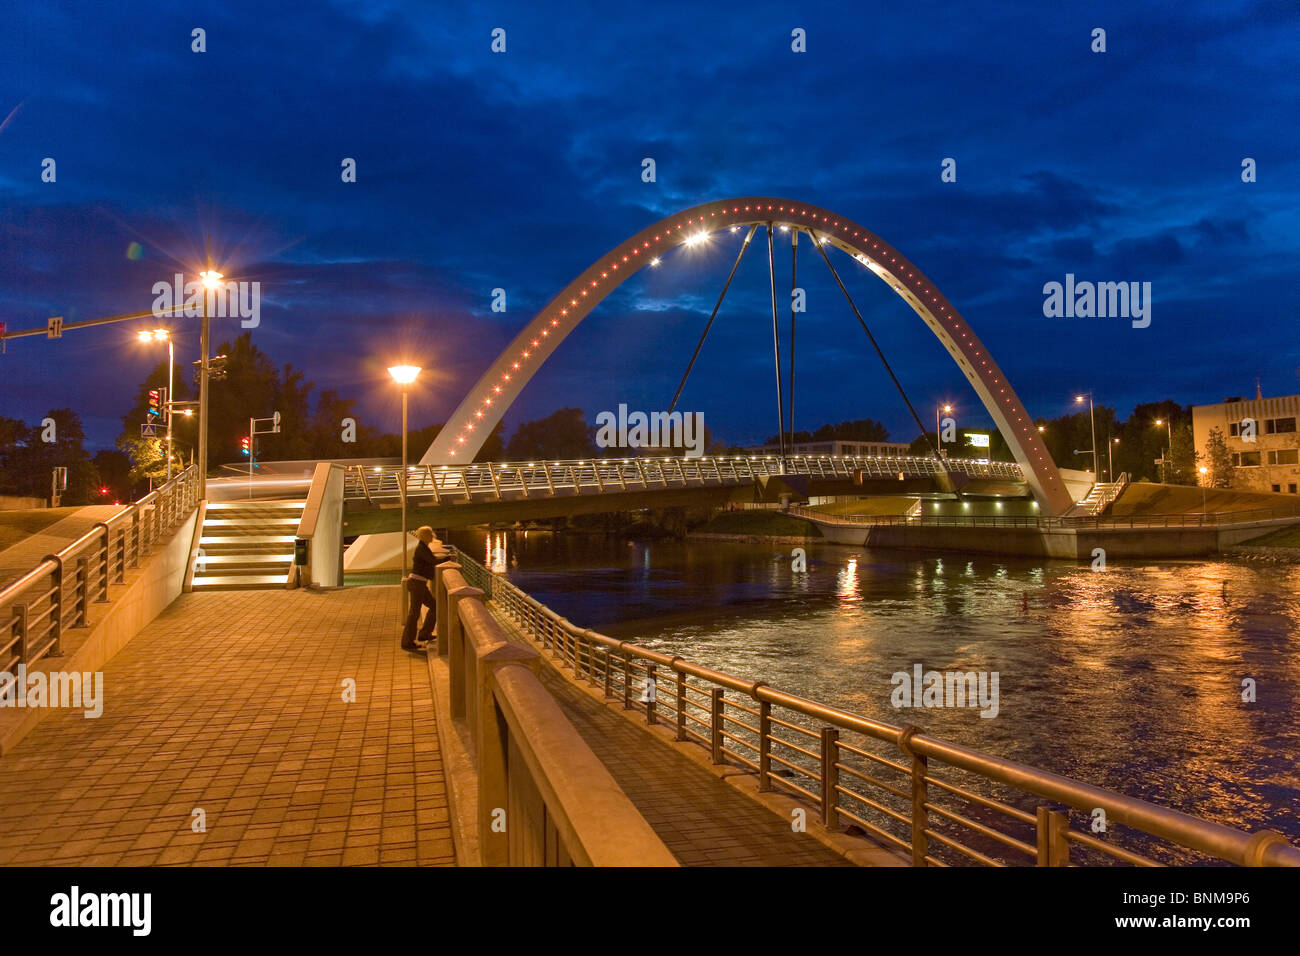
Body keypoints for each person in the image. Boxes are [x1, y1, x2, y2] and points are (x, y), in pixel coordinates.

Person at [401, 526, 438, 653]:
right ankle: (407, 642)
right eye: (430, 534)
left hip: (419, 583)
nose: (432, 536)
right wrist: (447, 559)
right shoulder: (422, 548)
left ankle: (424, 634)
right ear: (425, 536)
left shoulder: (423, 547)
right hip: (417, 584)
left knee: (433, 607)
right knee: (414, 613)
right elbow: (433, 561)